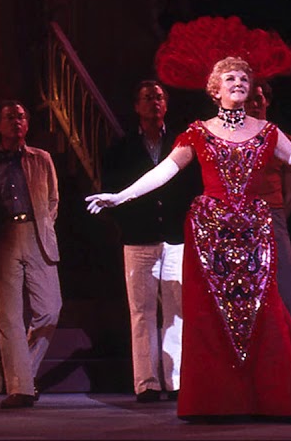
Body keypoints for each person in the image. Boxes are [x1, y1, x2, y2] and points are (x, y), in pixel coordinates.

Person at [87, 57, 291, 421]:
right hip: (211, 237)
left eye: (243, 77)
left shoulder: (268, 131)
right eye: (229, 77)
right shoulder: (197, 132)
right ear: (215, 89)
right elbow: (164, 172)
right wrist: (121, 195)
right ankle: (218, 402)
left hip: (255, 234)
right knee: (211, 320)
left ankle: (273, 397)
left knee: (264, 315)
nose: (238, 82)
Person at [0, 100, 62, 409]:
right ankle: (20, 388)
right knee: (9, 317)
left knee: (50, 308)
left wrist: (42, 226)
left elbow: (52, 199)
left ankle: (24, 374)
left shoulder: (41, 159)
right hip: (2, 236)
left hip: (35, 233)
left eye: (21, 116)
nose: (16, 121)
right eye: (10, 117)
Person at [98, 80, 191, 402]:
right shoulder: (119, 149)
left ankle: (176, 379)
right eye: (148, 98)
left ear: (166, 105)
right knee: (142, 312)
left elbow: (191, 187)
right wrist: (129, 223)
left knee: (176, 310)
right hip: (139, 239)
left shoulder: (181, 145)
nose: (154, 102)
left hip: (175, 238)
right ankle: (147, 383)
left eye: (160, 97)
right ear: (136, 106)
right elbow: (112, 193)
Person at [245, 79, 291, 326]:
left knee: (288, 289)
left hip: (274, 218)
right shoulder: (234, 140)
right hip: (240, 220)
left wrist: (273, 221)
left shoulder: (283, 139)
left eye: (259, 98)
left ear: (267, 101)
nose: (255, 104)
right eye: (250, 99)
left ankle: (288, 354)